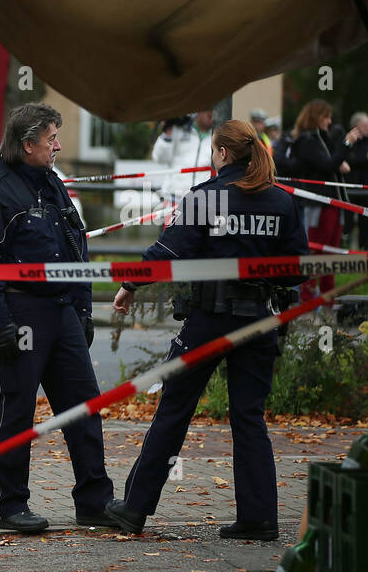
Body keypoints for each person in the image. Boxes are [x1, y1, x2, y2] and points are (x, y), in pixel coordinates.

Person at [106, 120, 309, 540]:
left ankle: (135, 508)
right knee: (249, 418)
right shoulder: (282, 202)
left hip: (208, 320)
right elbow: (295, 272)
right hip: (259, 320)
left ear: (221, 154)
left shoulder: (204, 198)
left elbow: (166, 251)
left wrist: (130, 285)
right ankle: (259, 518)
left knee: (175, 410)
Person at [0, 103, 120, 533]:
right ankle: (9, 505)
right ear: (28, 144)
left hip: (61, 310)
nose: (58, 145)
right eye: (51, 138)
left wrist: (83, 310)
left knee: (83, 406)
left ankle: (95, 500)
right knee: (16, 411)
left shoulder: (51, 184)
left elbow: (76, 246)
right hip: (18, 311)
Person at [290, 99, 360, 297]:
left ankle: (327, 308)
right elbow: (327, 165)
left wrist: (342, 154)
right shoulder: (306, 141)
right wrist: (347, 144)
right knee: (315, 257)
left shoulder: (323, 138)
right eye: (326, 117)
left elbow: (334, 159)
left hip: (335, 204)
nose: (329, 121)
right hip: (319, 205)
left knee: (330, 259)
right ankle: (307, 310)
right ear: (316, 117)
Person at [151, 108, 214, 202]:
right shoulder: (178, 128)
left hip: (202, 200)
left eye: (213, 109)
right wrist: (167, 132)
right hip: (174, 197)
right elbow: (159, 158)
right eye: (207, 109)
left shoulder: (217, 135)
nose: (211, 112)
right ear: (197, 112)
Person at [343, 111, 368, 251]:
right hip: (350, 188)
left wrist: (360, 160)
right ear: (355, 126)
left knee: (366, 221)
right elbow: (345, 160)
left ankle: (365, 250)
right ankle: (345, 248)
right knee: (347, 220)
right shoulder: (348, 141)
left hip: (367, 189)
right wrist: (365, 159)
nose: (367, 128)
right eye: (364, 125)